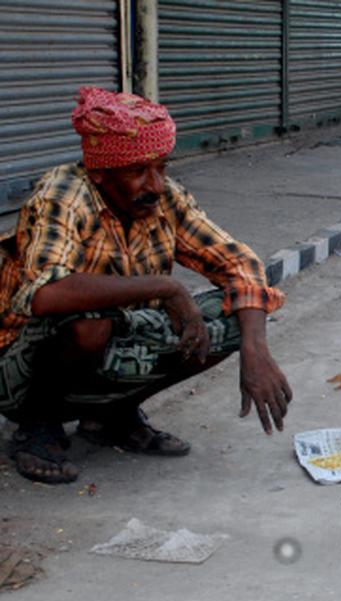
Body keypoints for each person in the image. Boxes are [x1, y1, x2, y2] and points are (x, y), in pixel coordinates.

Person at [0, 87, 291, 484]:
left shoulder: (164, 198)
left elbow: (240, 263)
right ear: (100, 172)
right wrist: (168, 289)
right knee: (89, 324)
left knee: (234, 319)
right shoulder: (63, 194)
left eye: (162, 167)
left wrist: (255, 350)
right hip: (20, 365)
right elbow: (47, 293)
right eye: (138, 172)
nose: (154, 185)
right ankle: (38, 426)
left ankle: (113, 418)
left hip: (116, 337)